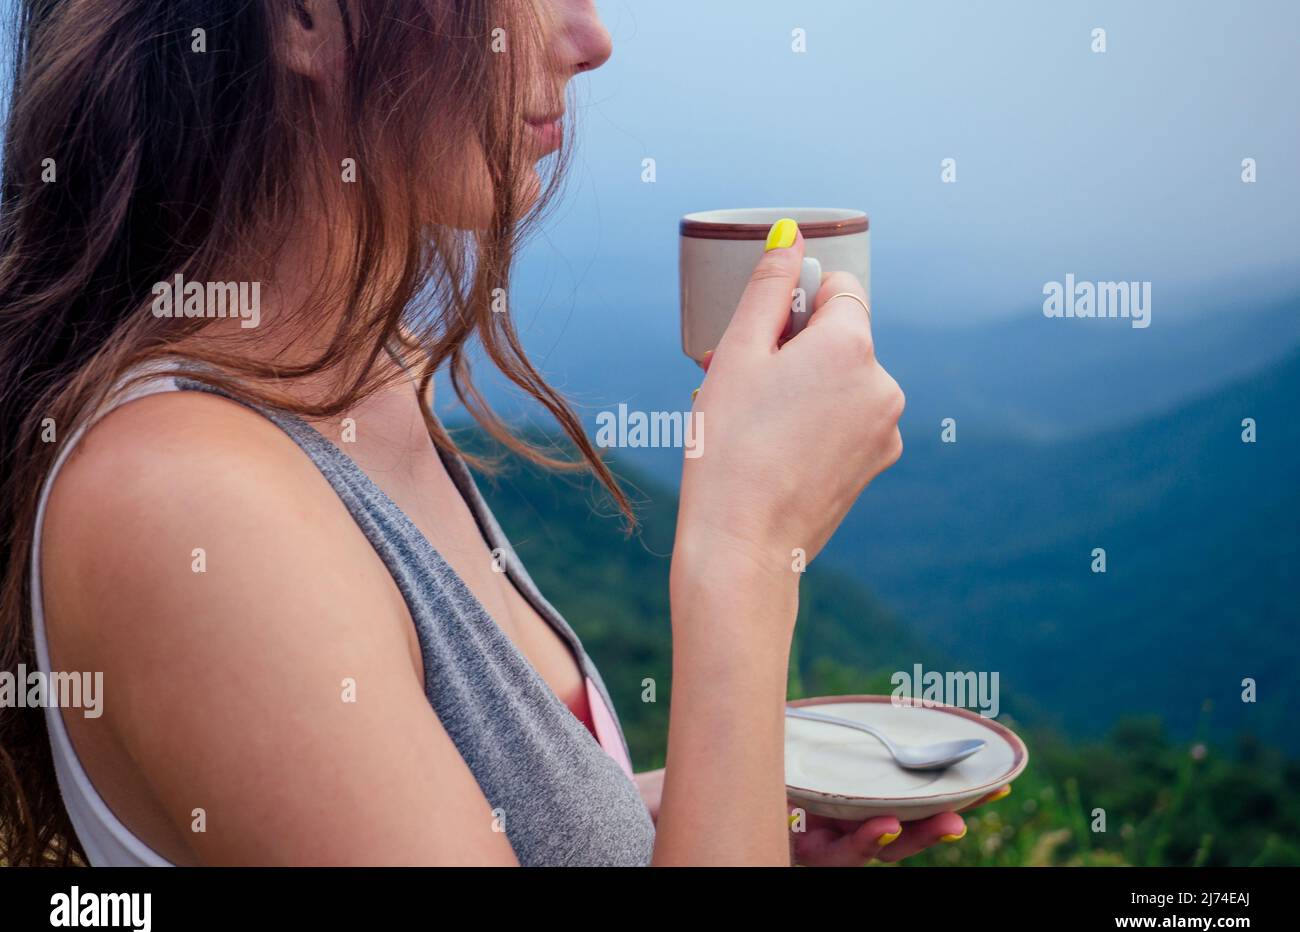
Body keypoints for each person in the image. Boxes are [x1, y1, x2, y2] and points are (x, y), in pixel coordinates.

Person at [0, 0, 970, 866]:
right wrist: (745, 555)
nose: (590, 39)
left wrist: (715, 813)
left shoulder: (374, 382)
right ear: (306, 17)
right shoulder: (186, 508)